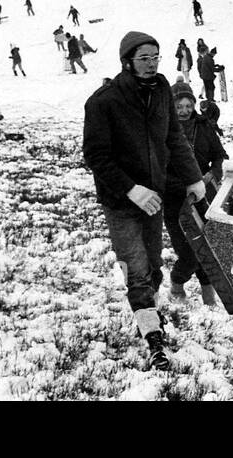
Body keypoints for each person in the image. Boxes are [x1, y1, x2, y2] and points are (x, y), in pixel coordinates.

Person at [83, 31, 206, 371]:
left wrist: (194, 176)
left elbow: (173, 137)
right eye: (144, 58)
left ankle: (146, 310)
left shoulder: (163, 90)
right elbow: (96, 155)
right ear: (127, 61)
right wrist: (131, 189)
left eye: (156, 57)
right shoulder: (103, 102)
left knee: (151, 267)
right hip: (122, 200)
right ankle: (154, 341)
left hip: (154, 196)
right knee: (136, 268)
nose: (152, 64)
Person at [165, 82, 233, 307]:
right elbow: (158, 167)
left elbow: (219, 155)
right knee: (188, 251)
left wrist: (210, 174)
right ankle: (177, 283)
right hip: (175, 199)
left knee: (207, 245)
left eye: (188, 105)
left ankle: (208, 293)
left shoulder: (204, 126)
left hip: (203, 196)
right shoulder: (164, 129)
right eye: (179, 106)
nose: (184, 110)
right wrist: (184, 184)